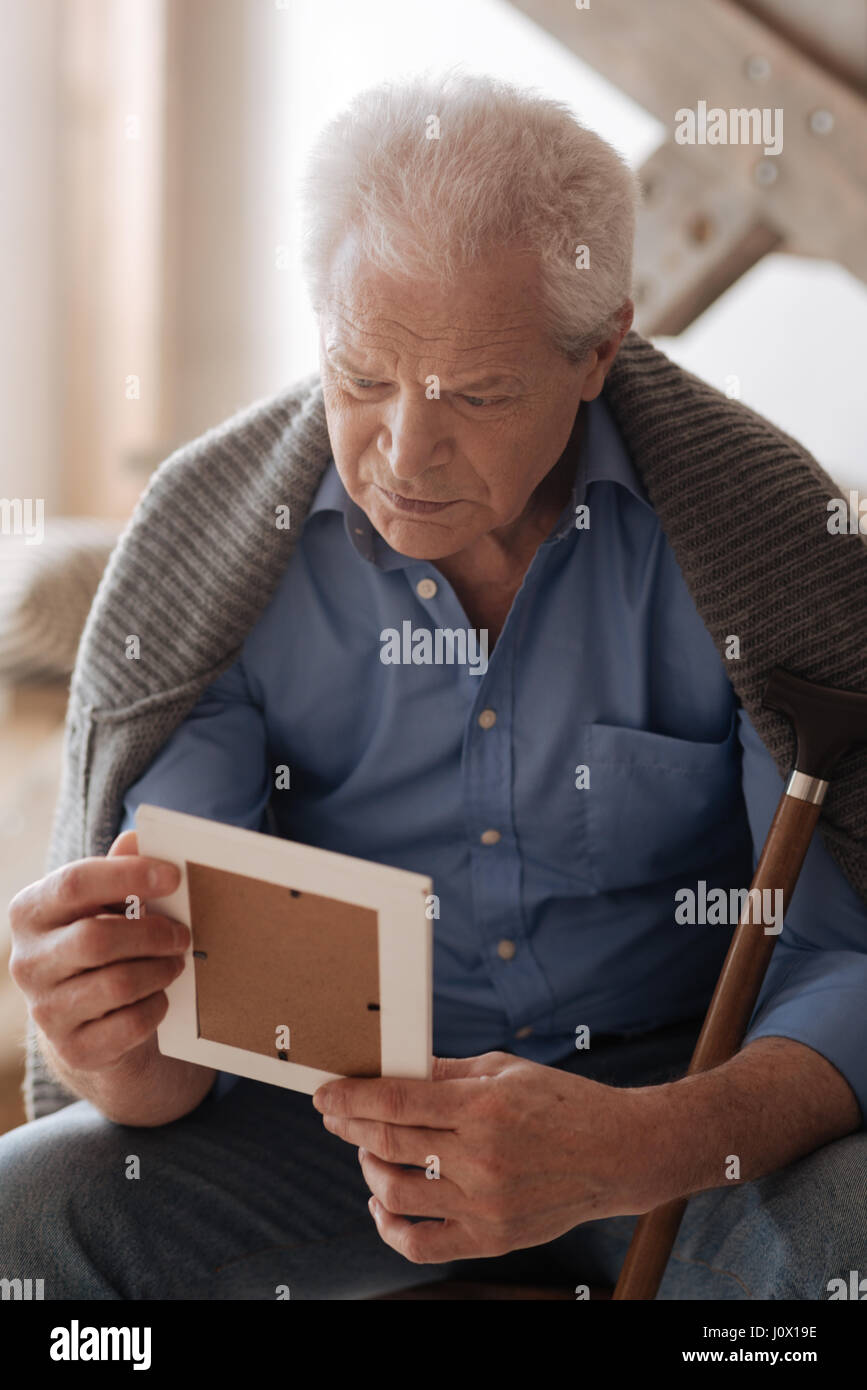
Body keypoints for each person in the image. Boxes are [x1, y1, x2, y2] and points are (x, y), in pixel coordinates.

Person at [3, 72, 865, 1301]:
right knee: (26, 1220)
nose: (403, 456)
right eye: (362, 376)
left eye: (477, 393)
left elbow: (850, 958)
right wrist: (116, 1045)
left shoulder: (758, 541)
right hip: (319, 1127)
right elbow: (172, 1043)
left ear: (599, 352)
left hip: (680, 1110)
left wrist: (643, 1143)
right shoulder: (215, 553)